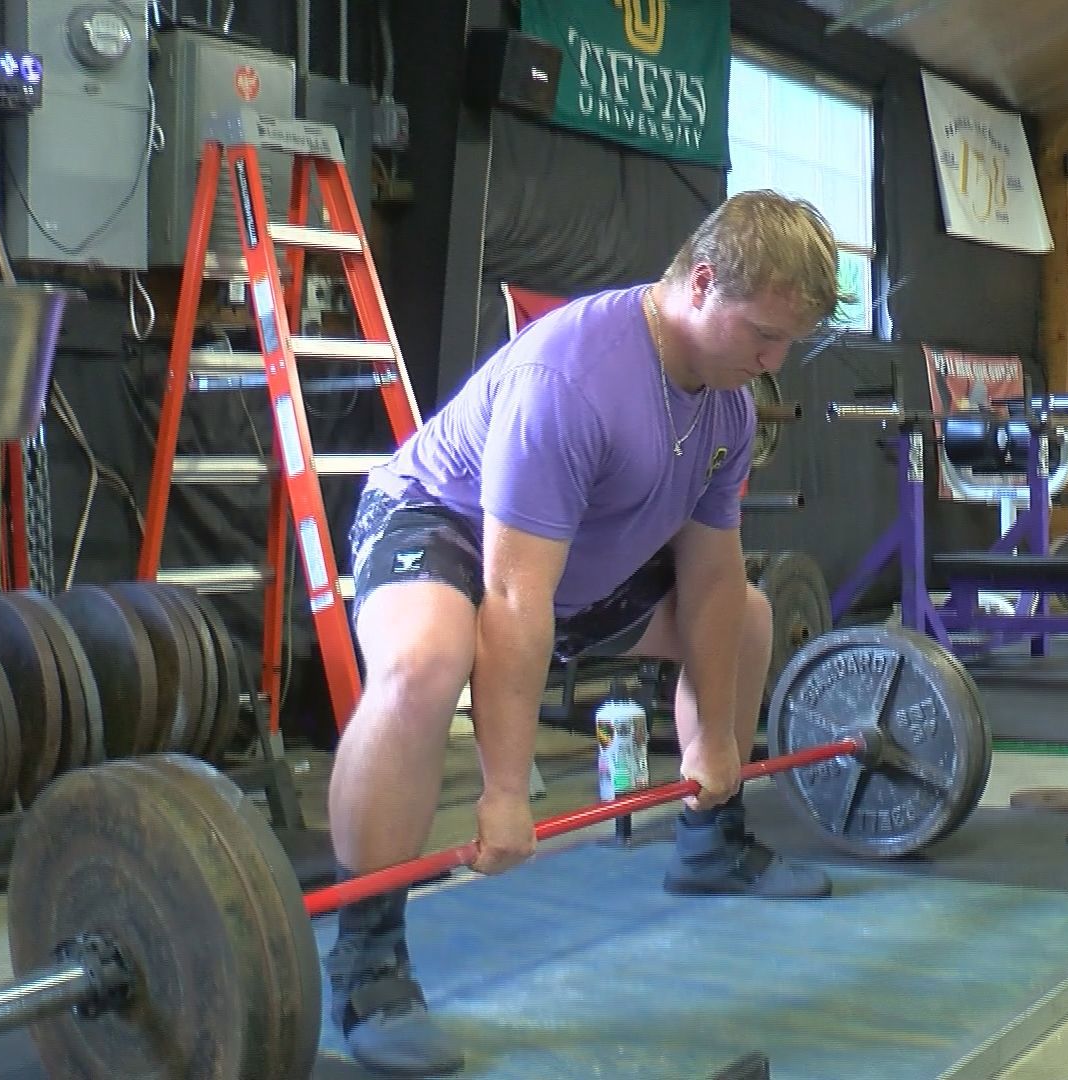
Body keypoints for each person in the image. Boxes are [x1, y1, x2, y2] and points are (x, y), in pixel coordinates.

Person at [323, 189, 846, 1076]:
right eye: (763, 334)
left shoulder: (730, 405)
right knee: (426, 661)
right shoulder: (571, 378)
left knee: (749, 615)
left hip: (575, 561)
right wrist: (503, 790)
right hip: (440, 523)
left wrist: (716, 741)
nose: (774, 359)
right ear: (703, 284)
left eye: (787, 341)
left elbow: (713, 576)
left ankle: (710, 839)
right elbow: (513, 595)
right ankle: (367, 957)